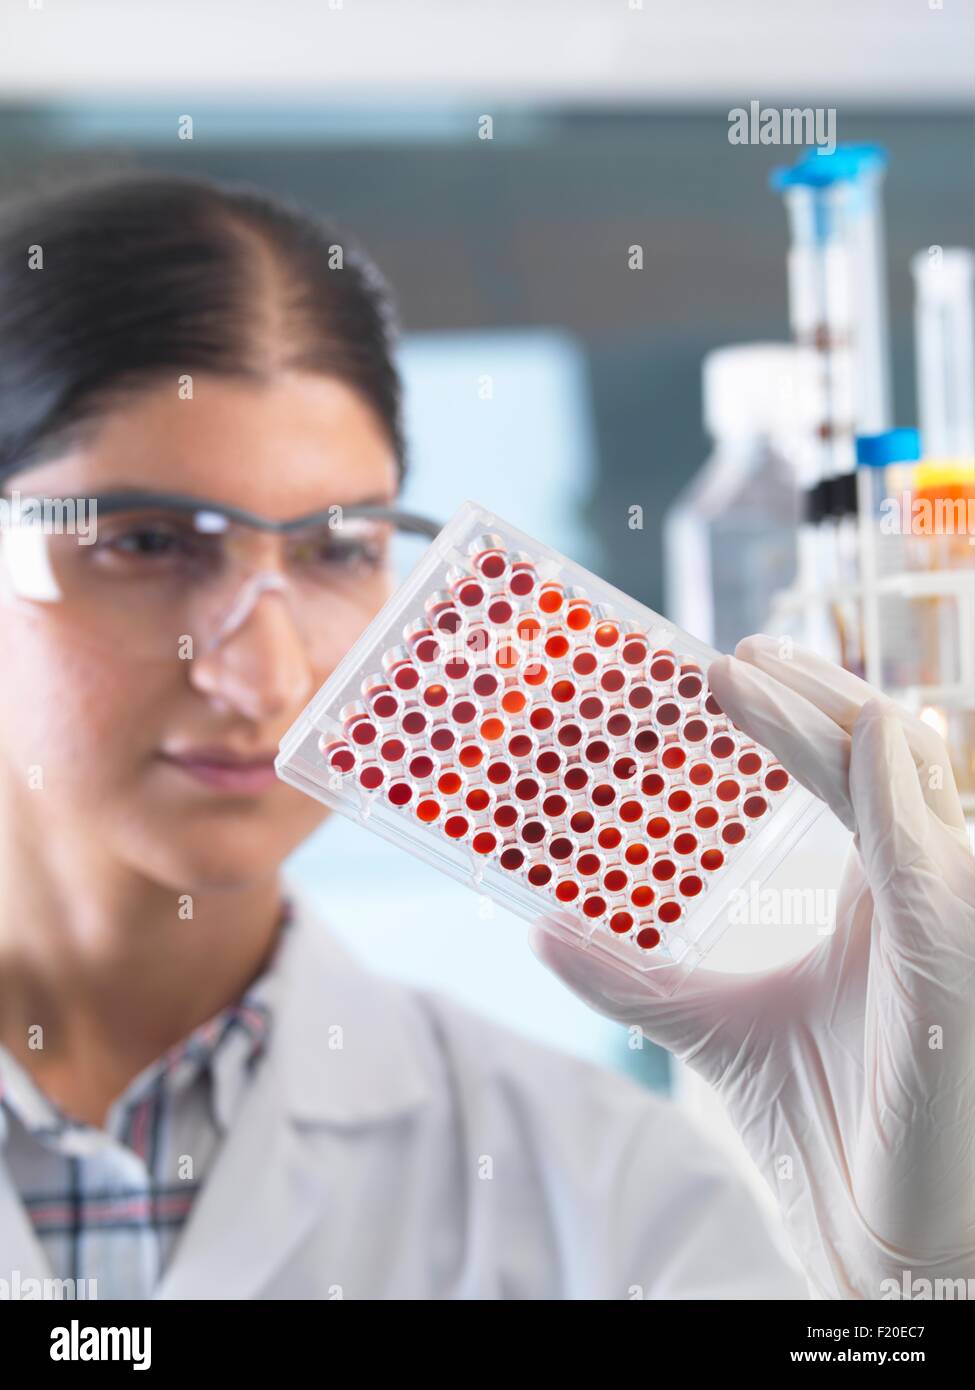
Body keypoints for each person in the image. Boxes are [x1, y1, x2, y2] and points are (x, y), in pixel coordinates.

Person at [0, 174, 971, 1301]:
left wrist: (917, 1292)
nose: (263, 674)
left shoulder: (609, 1186)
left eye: (338, 547)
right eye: (150, 541)